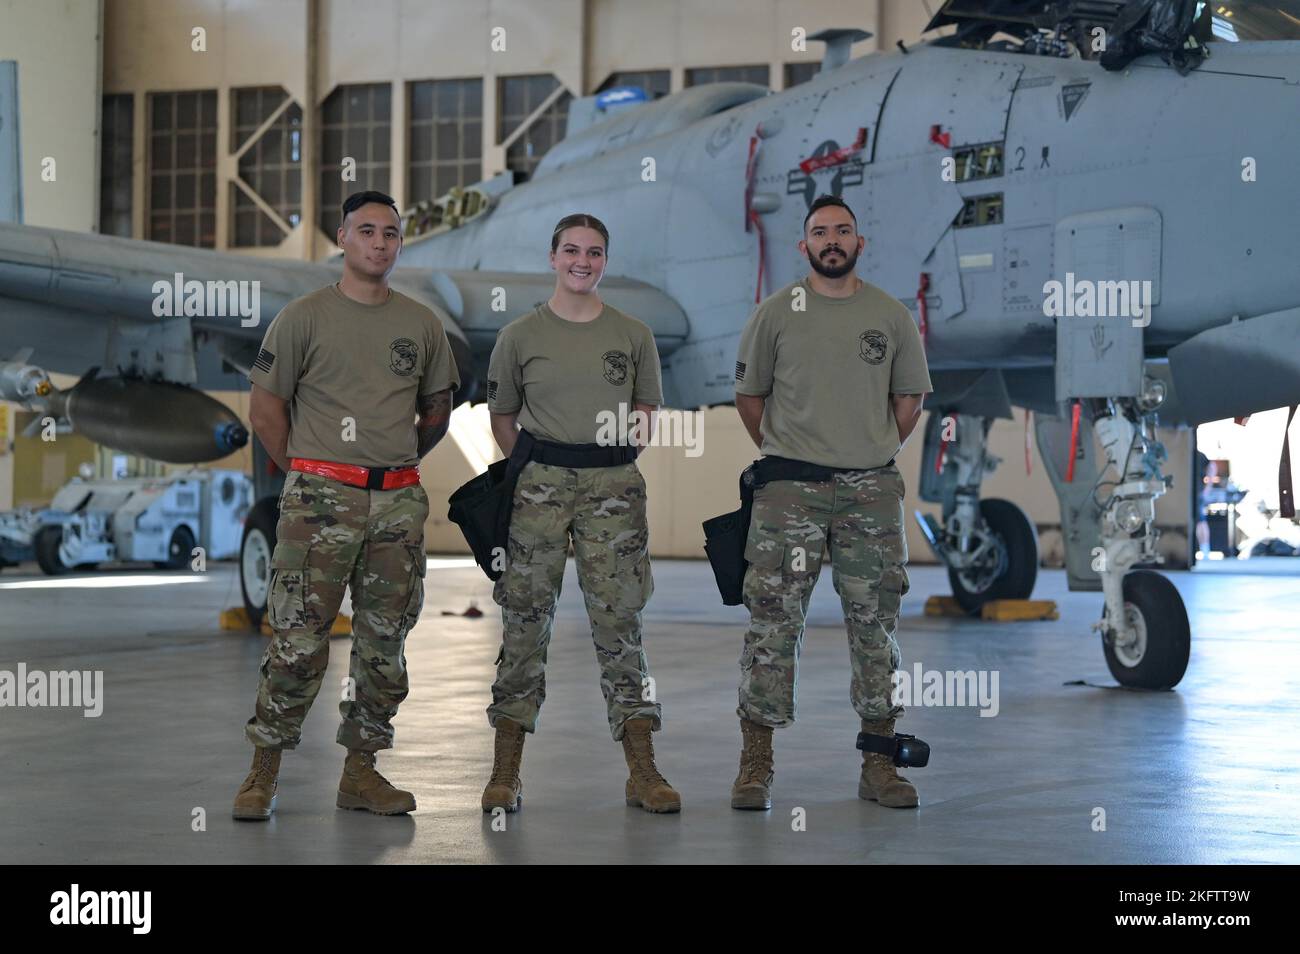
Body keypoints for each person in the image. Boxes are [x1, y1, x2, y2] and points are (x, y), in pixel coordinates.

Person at [233, 190, 458, 820]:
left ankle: (362, 772)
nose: (379, 243)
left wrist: (391, 462)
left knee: (384, 644)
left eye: (390, 233)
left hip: (397, 501)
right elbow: (265, 410)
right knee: (299, 642)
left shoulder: (421, 324)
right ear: (342, 238)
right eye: (366, 231)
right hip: (319, 501)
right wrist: (310, 467)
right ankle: (263, 773)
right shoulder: (303, 317)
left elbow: (436, 410)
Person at [730, 194, 932, 810]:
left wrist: (864, 452)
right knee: (773, 623)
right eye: (821, 232)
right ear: (805, 245)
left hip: (870, 492)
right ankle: (756, 765)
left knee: (876, 625)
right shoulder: (776, 312)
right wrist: (796, 454)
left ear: (859, 243)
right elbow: (750, 396)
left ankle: (879, 765)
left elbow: (909, 401)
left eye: (843, 231)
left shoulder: (890, 315)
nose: (833, 240)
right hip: (789, 491)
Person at [480, 212, 679, 814]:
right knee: (524, 623)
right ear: (552, 257)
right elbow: (502, 419)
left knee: (622, 625)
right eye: (571, 250)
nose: (582, 261)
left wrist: (608, 464)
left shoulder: (633, 334)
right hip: (537, 484)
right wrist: (543, 467)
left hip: (613, 484)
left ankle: (642, 770)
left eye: (594, 252)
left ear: (604, 261)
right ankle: (506, 771)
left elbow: (645, 411)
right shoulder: (519, 335)